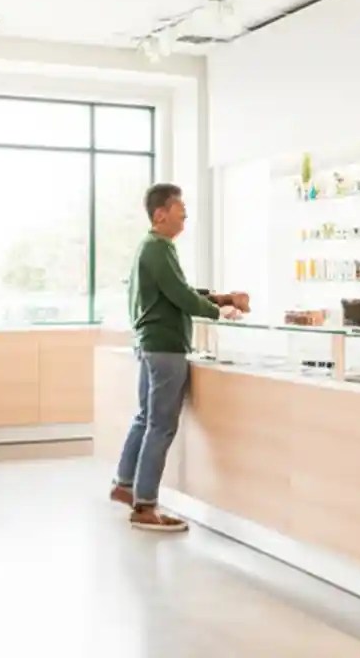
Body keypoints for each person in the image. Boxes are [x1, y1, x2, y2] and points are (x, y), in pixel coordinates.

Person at [110, 183, 249, 532]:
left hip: (150, 345)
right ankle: (145, 505)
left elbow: (179, 290)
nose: (185, 215)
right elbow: (180, 297)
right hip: (165, 348)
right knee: (161, 425)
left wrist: (221, 298)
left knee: (144, 419)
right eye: (180, 209)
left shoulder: (153, 248)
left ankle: (125, 485)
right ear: (161, 214)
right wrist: (221, 312)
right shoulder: (158, 248)